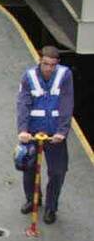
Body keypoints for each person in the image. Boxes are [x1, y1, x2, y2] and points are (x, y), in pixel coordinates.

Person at [17, 45, 74, 223]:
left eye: (52, 65)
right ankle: (32, 199)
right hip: (33, 130)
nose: (48, 68)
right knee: (29, 168)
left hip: (54, 133)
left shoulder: (65, 76)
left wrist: (62, 131)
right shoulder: (29, 77)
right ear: (40, 61)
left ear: (57, 64)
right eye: (45, 64)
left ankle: (51, 207)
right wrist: (23, 130)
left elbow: (66, 103)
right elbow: (23, 104)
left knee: (57, 172)